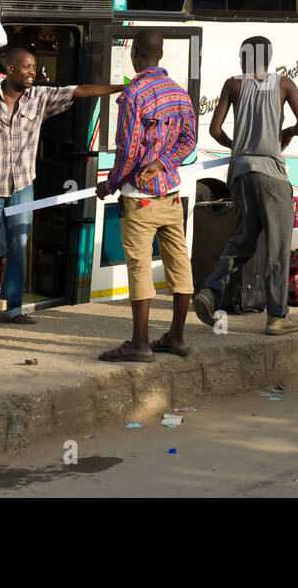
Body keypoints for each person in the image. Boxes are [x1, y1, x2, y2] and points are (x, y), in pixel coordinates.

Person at [0, 46, 124, 322]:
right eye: (27, 67)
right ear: (10, 70)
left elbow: (78, 90)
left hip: (22, 186)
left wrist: (120, 87)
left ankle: (12, 309)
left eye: (34, 67)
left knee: (18, 248)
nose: (33, 72)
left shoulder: (40, 98)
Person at [193, 36, 298, 335]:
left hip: (242, 173)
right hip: (272, 174)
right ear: (269, 58)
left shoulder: (233, 85)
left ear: (242, 58)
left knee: (242, 241)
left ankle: (210, 290)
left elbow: (215, 130)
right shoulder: (285, 85)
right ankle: (276, 316)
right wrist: (288, 133)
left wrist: (237, 148)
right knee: (278, 245)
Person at [94, 30, 198, 362]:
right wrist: (162, 163)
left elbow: (127, 150)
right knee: (180, 266)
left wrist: (109, 185)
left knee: (139, 268)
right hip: (171, 196)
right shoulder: (179, 94)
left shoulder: (133, 95)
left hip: (139, 199)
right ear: (161, 54)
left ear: (136, 54)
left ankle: (140, 344)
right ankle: (177, 338)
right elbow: (189, 141)